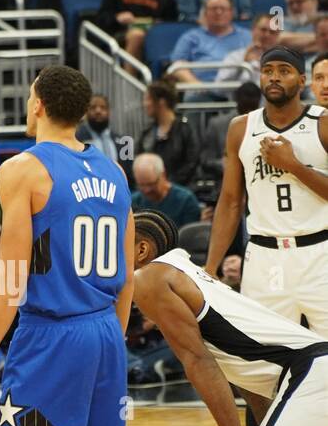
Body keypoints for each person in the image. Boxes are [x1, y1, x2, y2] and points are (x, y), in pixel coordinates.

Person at [0, 66, 134, 426]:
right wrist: (114, 340)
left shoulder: (23, 169)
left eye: (29, 97)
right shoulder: (116, 172)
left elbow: (10, 278)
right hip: (106, 332)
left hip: (52, 335)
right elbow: (128, 279)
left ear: (38, 105)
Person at [132, 209, 328, 426]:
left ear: (142, 250)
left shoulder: (148, 278)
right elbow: (243, 371)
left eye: (119, 243)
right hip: (310, 373)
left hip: (310, 372)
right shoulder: (186, 269)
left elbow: (198, 362)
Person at [206, 46, 328, 334]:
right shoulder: (241, 128)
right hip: (264, 257)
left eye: (283, 72)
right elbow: (231, 201)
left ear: (301, 81)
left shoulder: (322, 123)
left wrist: (293, 165)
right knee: (266, 358)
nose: (274, 78)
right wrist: (211, 266)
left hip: (319, 254)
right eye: (268, 71)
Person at [136, 82, 201, 188]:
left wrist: (168, 185)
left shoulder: (185, 129)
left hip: (182, 190)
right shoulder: (147, 133)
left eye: (148, 99)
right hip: (151, 191)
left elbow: (192, 163)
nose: (145, 104)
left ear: (162, 102)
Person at [131, 153, 203, 227]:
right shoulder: (134, 202)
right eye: (141, 185)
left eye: (151, 184)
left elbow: (190, 234)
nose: (147, 190)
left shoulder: (186, 201)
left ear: (163, 175)